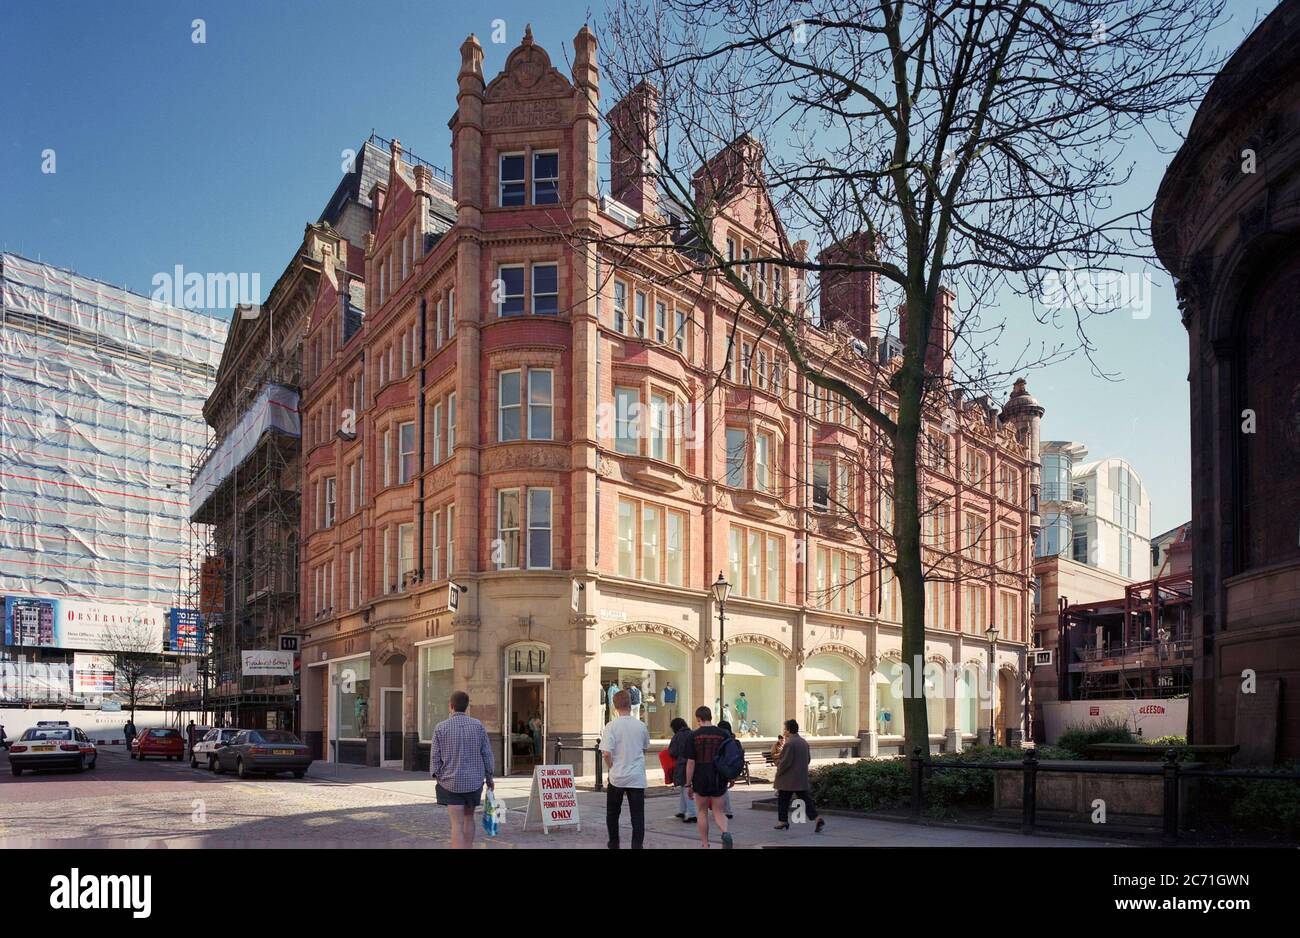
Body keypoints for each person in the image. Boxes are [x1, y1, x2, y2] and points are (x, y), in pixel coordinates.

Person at [429, 690, 495, 849]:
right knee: (469, 818)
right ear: (467, 706)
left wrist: (438, 775)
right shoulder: (478, 726)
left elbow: (435, 757)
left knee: (456, 824)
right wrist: (489, 777)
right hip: (473, 782)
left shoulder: (440, 727)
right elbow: (487, 754)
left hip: (450, 782)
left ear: (451, 706)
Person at [600, 689, 651, 848]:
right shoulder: (641, 726)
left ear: (614, 706)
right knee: (637, 815)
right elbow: (644, 748)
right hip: (636, 776)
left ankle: (614, 842)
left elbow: (606, 753)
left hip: (617, 776)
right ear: (630, 704)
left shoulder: (611, 726)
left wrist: (611, 766)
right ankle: (637, 845)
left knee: (612, 813)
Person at [685, 705, 733, 849]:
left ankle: (705, 844)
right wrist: (731, 777)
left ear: (698, 719)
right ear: (711, 717)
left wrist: (688, 784)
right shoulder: (723, 734)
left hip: (700, 778)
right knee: (718, 812)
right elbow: (729, 758)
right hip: (719, 777)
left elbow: (691, 762)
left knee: (702, 812)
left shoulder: (693, 736)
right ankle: (725, 832)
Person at [773, 719, 824, 833]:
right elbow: (808, 759)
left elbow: (785, 763)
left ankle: (782, 821)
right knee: (806, 800)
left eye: (785, 729)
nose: (784, 731)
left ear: (789, 730)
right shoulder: (803, 742)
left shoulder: (790, 744)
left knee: (783, 799)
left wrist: (778, 770)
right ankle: (817, 818)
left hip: (788, 779)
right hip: (801, 777)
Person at [667, 717, 696, 823]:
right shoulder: (693, 733)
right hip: (694, 763)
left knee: (685, 788)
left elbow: (672, 752)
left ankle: (692, 814)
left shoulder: (677, 736)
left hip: (682, 764)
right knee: (685, 788)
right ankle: (682, 810)